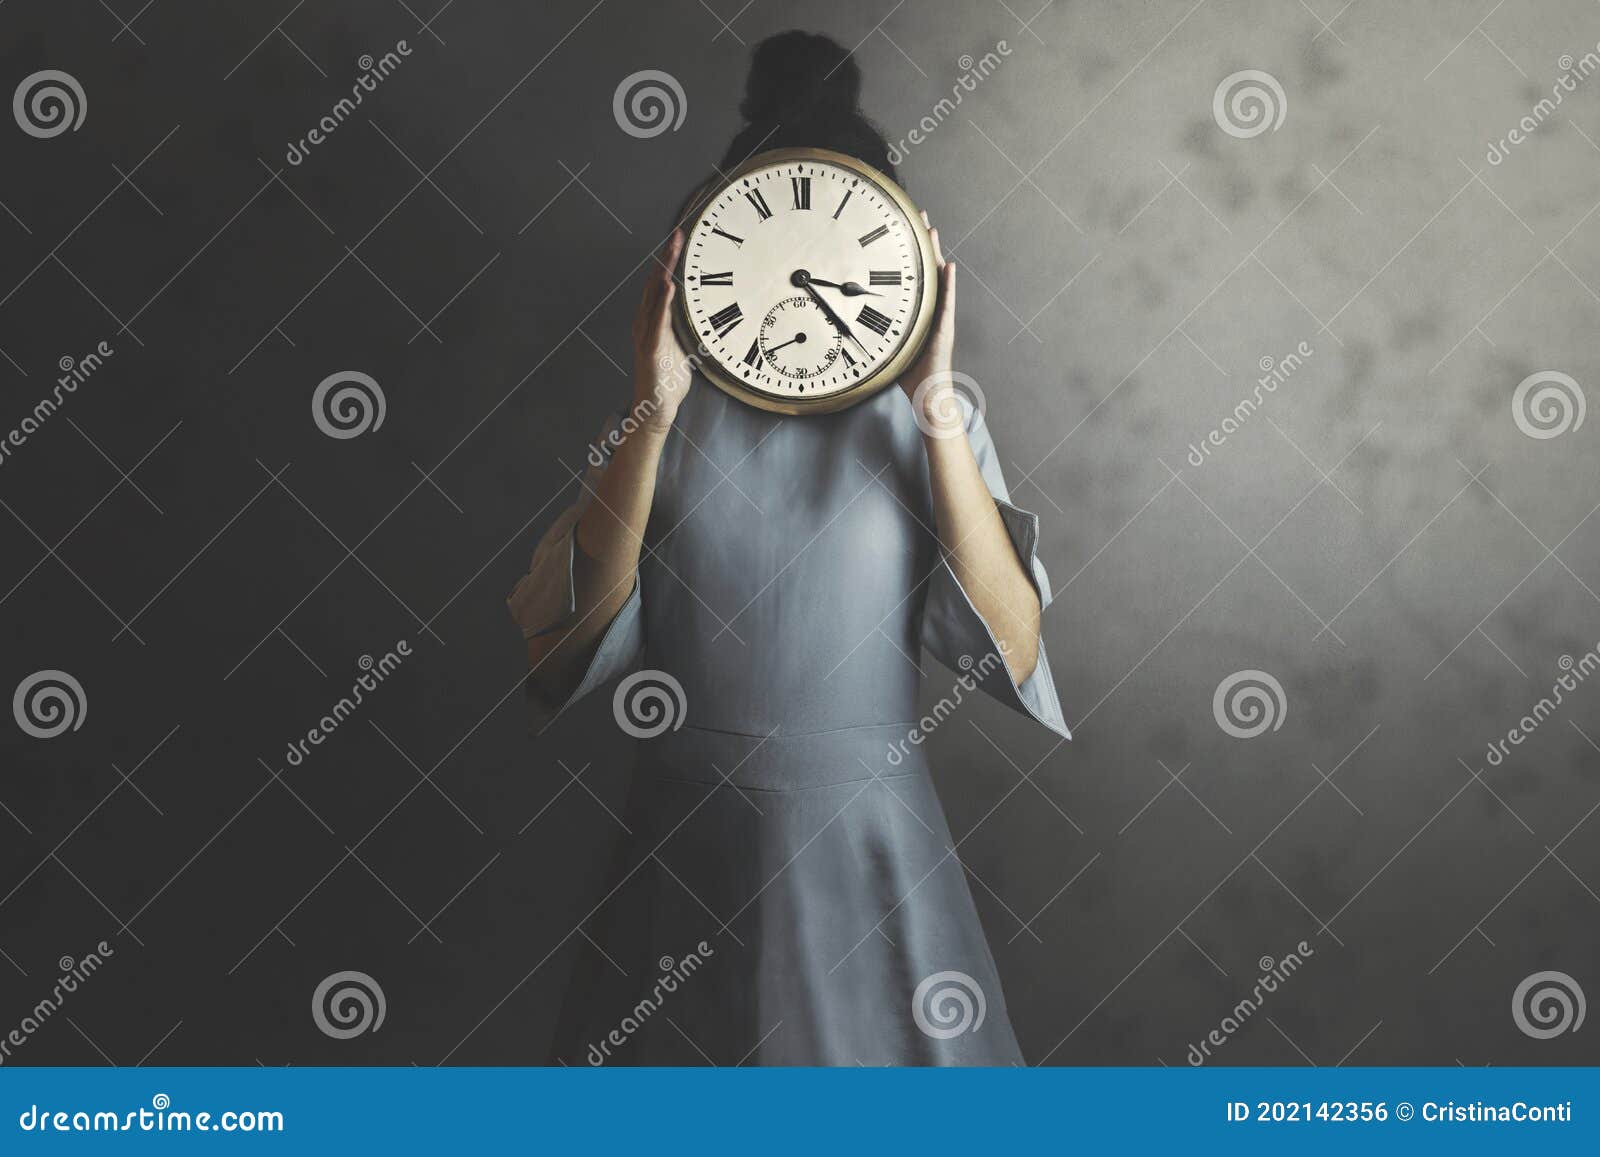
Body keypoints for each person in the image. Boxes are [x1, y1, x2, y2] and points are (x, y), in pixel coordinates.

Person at [508, 31, 1068, 1066]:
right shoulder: (667, 422)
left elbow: (1011, 640)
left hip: (867, 849)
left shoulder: (925, 422)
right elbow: (565, 646)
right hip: (689, 845)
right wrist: (653, 400)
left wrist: (936, 398)